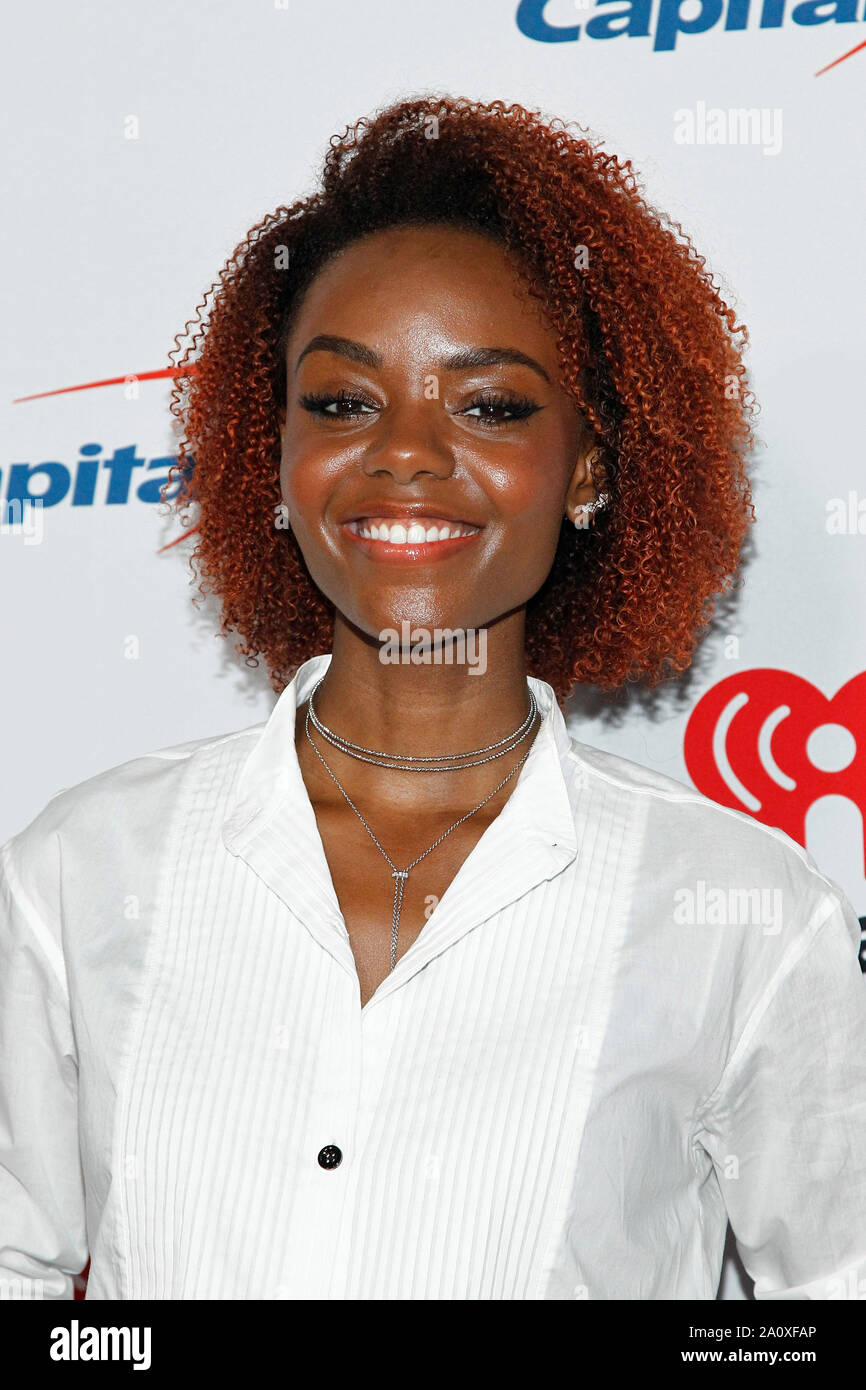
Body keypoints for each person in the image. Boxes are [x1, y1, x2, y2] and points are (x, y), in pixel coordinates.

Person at [2, 94, 864, 1302]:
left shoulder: (745, 920)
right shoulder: (77, 874)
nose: (404, 452)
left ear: (588, 469)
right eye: (343, 402)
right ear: (276, 458)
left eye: (490, 405)